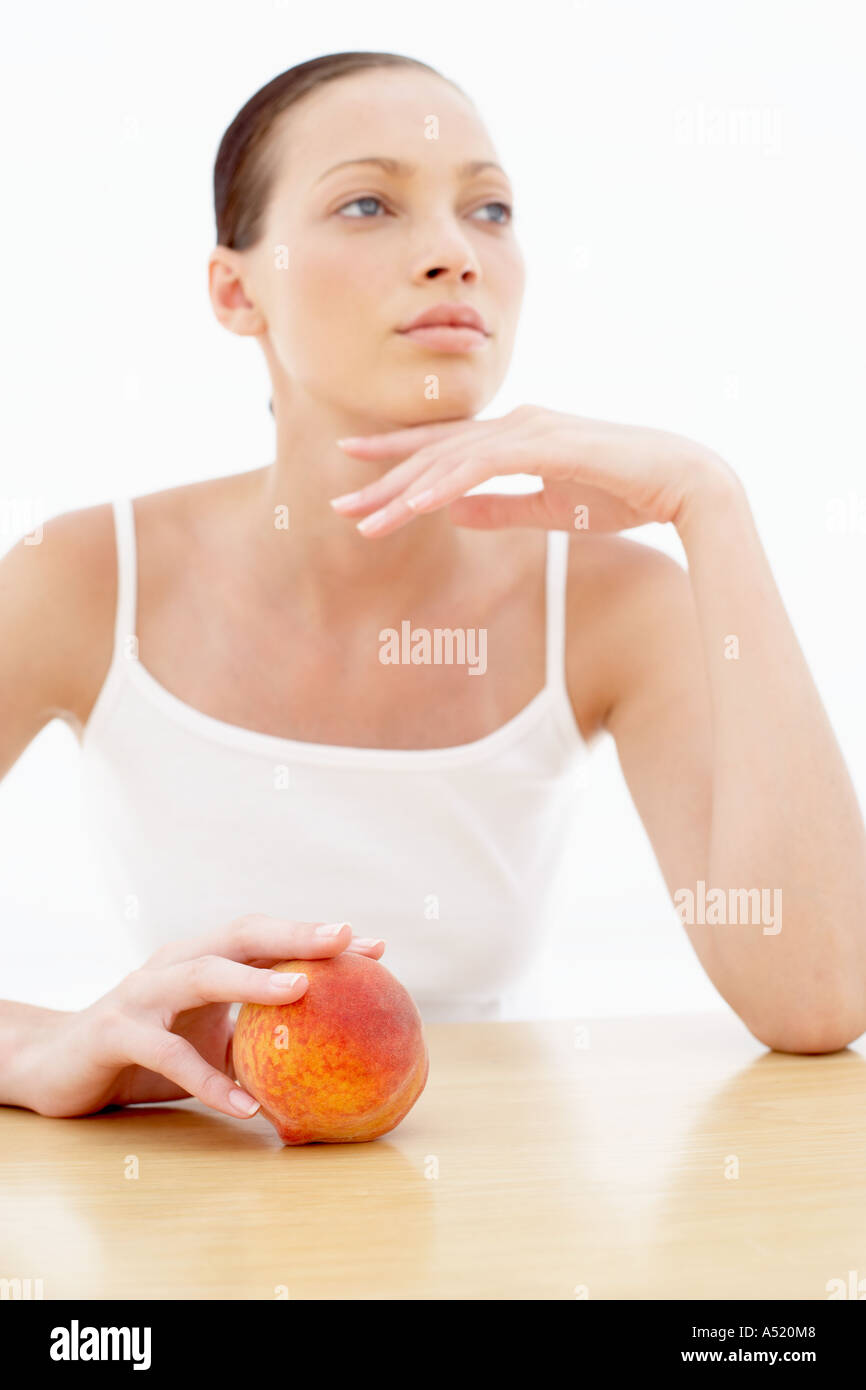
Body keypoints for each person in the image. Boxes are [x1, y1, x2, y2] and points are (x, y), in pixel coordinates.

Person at [2, 50, 865, 1126]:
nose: (453, 254)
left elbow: (816, 995)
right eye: (367, 204)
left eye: (489, 209)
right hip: (193, 1213)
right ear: (235, 290)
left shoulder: (612, 604)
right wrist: (36, 1044)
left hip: (498, 1216)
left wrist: (710, 505)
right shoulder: (78, 579)